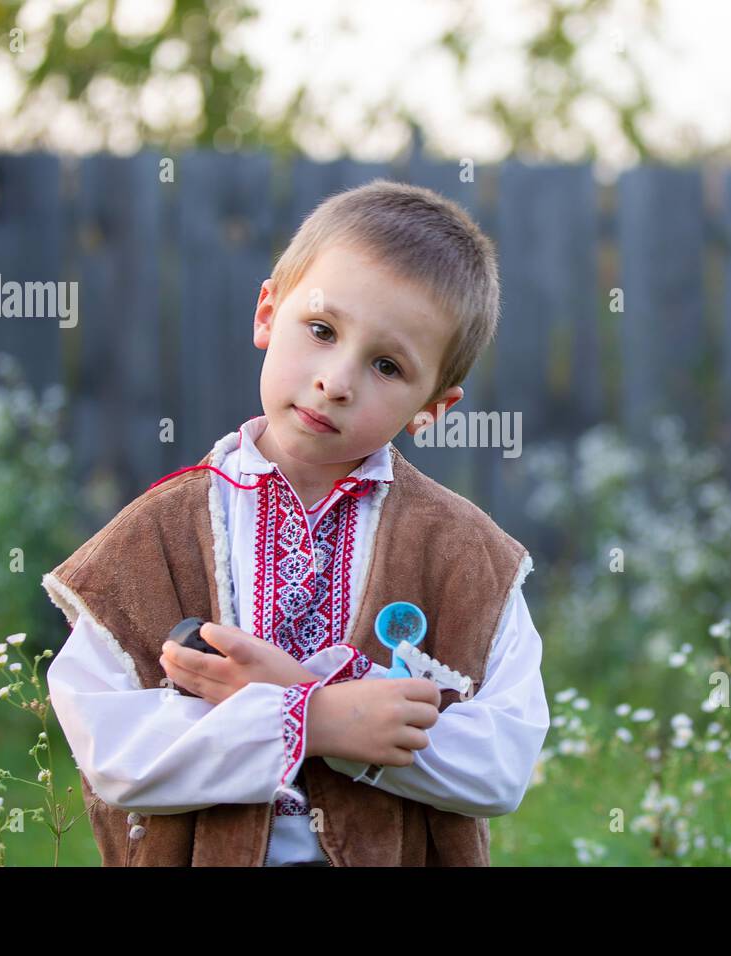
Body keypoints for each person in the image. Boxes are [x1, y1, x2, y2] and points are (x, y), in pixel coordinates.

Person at [44, 179, 549, 866]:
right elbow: (113, 752)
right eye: (321, 330)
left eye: (387, 365)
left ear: (434, 405)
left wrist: (321, 710)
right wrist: (310, 720)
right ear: (267, 312)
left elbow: (501, 763)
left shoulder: (467, 557)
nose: (337, 380)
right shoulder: (152, 538)